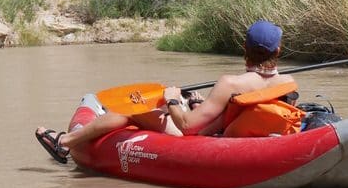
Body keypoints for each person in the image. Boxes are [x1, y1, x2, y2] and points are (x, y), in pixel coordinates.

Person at [35, 19, 295, 164]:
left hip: (206, 139)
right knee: (184, 104)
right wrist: (198, 105)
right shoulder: (288, 82)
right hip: (250, 137)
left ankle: (64, 142)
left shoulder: (231, 83)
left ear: (244, 49)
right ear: (278, 50)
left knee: (134, 109)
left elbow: (188, 128)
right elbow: (242, 114)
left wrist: (172, 100)